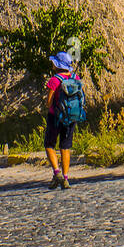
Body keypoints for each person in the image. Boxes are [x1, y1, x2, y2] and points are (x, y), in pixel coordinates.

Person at [44, 52, 81, 189]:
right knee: (65, 147)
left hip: (55, 117)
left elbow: (49, 102)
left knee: (49, 145)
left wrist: (51, 107)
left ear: (57, 65)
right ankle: (65, 178)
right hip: (71, 117)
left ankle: (56, 172)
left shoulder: (54, 80)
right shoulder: (75, 78)